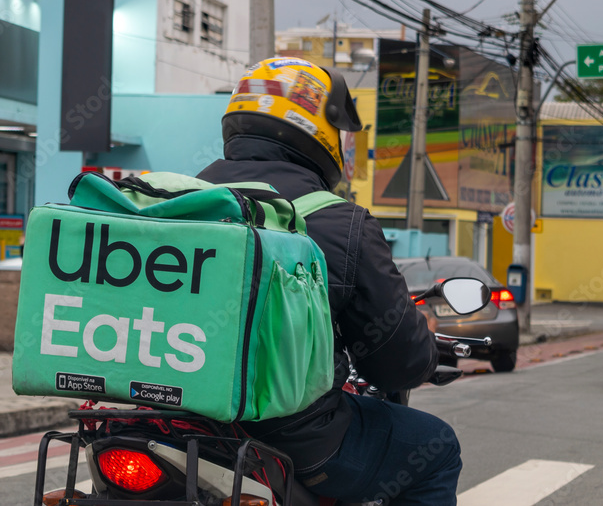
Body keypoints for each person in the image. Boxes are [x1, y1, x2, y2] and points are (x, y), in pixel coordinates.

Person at [197, 58, 461, 505]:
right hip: (292, 440)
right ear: (319, 131)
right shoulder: (339, 222)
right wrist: (422, 348)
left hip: (163, 423)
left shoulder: (176, 203)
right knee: (435, 447)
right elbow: (396, 362)